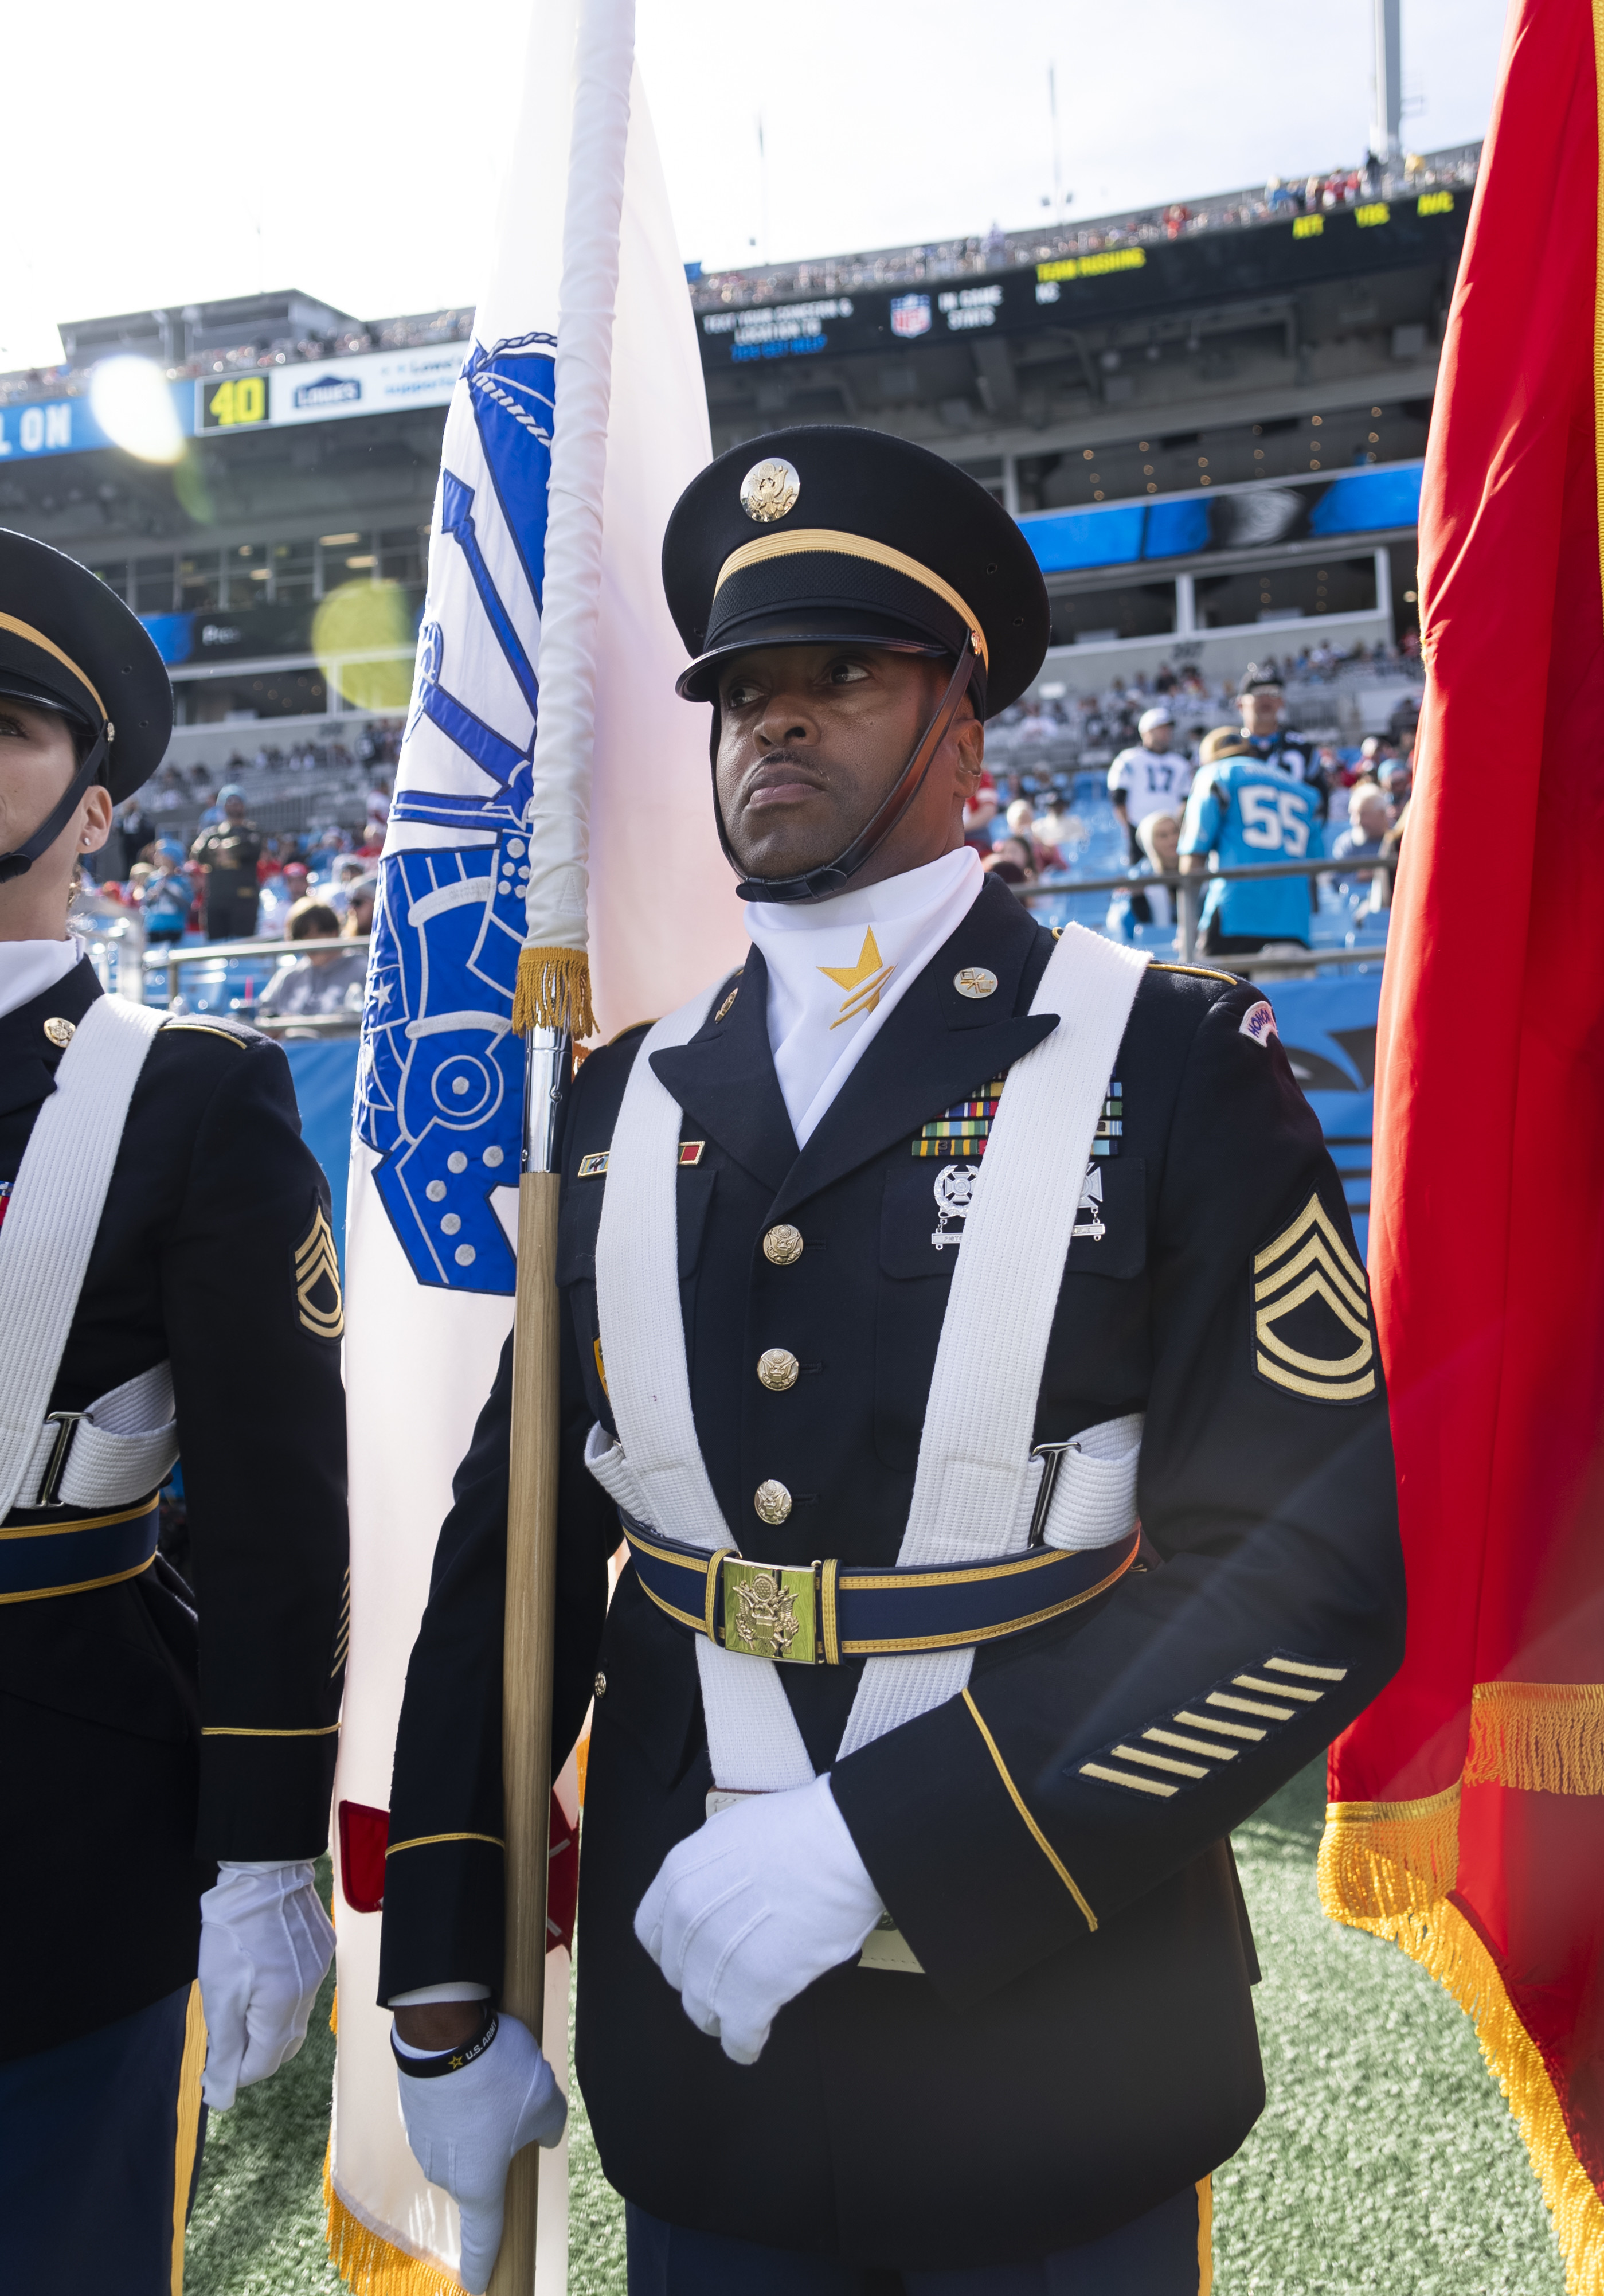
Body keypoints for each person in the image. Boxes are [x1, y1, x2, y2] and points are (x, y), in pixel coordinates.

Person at [378, 427, 1402, 2296]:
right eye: (741, 691)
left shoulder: (1167, 1063)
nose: (773, 725)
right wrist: (444, 1966)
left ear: (961, 720)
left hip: (1058, 2054)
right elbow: (510, 1557)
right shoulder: (614, 1104)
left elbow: (1309, 1574)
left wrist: (879, 1842)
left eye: (837, 674)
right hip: (708, 2075)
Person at [0, 531, 350, 2295]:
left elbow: (284, 1508)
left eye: (3, 724)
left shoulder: (194, 1094)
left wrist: (264, 1845)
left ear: (97, 807)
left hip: (53, 1824)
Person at [1179, 719, 1325, 956]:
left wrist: (1186, 928)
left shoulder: (1215, 774)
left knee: (1217, 990)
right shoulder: (1303, 791)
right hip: (1294, 918)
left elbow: (1193, 855)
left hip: (1235, 912)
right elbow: (1317, 863)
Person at [256, 895, 367, 1022]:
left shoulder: (362, 970)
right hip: (288, 1042)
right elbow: (264, 1015)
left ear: (333, 933)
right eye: (303, 938)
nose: (309, 945)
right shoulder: (288, 976)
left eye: (314, 936)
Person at [1106, 705, 1192, 861]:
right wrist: (1129, 827)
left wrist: (1177, 827)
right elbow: (1118, 798)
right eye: (1160, 729)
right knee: (1140, 876)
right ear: (1145, 732)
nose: (1166, 733)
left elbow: (1186, 800)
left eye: (1168, 729)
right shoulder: (1128, 759)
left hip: (1172, 832)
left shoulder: (1180, 763)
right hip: (1139, 828)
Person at [1233, 667, 1321, 809]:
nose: (1266, 699)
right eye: (1259, 693)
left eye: (1273, 693)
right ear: (1240, 704)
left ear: (1282, 701)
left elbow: (1320, 803)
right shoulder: (1228, 749)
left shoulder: (1304, 748)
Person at [190, 785, 263, 940]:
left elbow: (249, 849)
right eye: (229, 801)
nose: (234, 804)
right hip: (217, 899)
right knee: (216, 948)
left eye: (238, 800)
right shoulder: (211, 834)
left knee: (243, 946)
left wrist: (219, 850)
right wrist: (231, 852)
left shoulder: (252, 832)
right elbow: (199, 855)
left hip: (244, 900)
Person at [1107, 808, 1182, 943]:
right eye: (1163, 836)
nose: (1173, 840)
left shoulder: (1199, 871)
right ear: (1150, 843)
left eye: (1176, 832)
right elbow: (1122, 929)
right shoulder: (1137, 878)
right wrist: (1137, 900)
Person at [1328, 782, 1392, 870]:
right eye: (1354, 815)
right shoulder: (1347, 844)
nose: (1357, 822)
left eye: (1364, 814)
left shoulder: (1396, 841)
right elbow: (1338, 877)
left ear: (1381, 814)